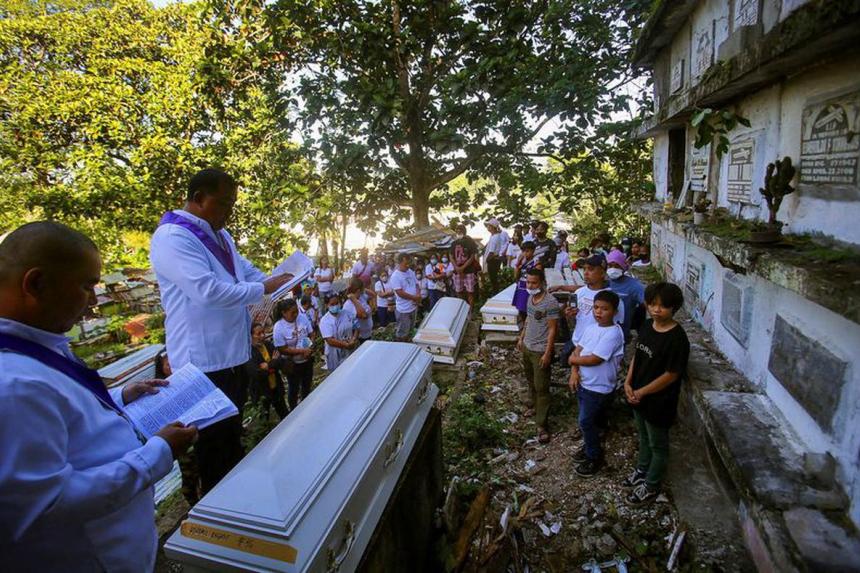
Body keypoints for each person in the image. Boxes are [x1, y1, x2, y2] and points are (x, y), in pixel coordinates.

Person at [0, 221, 197, 571]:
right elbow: (49, 502)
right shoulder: (13, 386)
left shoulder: (37, 345)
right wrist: (158, 452)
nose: (93, 301)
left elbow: (66, 415)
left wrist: (120, 397)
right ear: (36, 283)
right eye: (86, 286)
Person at [150, 168, 292, 493]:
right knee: (212, 448)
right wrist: (265, 287)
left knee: (230, 438)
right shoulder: (173, 237)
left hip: (232, 356)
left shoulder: (219, 234)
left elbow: (244, 271)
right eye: (224, 203)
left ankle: (234, 499)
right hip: (202, 363)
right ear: (199, 198)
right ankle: (214, 515)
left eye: (232, 204)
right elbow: (209, 291)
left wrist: (283, 276)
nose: (229, 211)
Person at [623, 283, 690, 506]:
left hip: (659, 401)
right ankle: (642, 470)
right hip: (638, 395)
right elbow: (637, 356)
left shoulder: (677, 338)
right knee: (643, 437)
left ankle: (651, 485)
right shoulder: (647, 326)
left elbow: (671, 374)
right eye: (652, 304)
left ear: (674, 307)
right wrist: (628, 382)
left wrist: (641, 391)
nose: (656, 310)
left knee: (658, 445)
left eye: (662, 306)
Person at [568, 291, 625, 477]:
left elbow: (595, 359)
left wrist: (573, 361)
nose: (599, 312)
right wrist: (574, 372)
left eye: (605, 309)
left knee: (585, 421)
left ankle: (594, 456)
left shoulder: (614, 333)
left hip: (599, 388)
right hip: (584, 383)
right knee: (591, 421)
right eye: (596, 307)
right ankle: (591, 443)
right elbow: (578, 349)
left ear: (615, 311)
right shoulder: (591, 328)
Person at [516, 267, 559, 444]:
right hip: (527, 346)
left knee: (542, 388)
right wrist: (521, 337)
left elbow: (552, 329)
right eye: (529, 282)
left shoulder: (550, 302)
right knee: (531, 381)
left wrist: (548, 352)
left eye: (534, 283)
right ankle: (534, 406)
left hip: (540, 350)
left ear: (542, 283)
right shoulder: (530, 298)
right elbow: (528, 319)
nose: (531, 285)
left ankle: (542, 424)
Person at [155, 351, 202, 508]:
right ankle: (193, 501)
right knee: (189, 473)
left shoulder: (184, 380)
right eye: (168, 364)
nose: (172, 366)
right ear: (161, 369)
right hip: (182, 440)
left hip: (196, 434)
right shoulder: (159, 390)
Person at [272, 299, 315, 410]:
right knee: (293, 388)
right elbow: (282, 349)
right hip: (293, 364)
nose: (296, 314)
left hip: (307, 360)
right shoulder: (279, 327)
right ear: (284, 313)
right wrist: (301, 351)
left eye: (296, 311)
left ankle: (306, 405)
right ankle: (294, 409)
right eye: (292, 313)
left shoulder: (302, 317)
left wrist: (309, 348)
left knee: (306, 384)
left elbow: (312, 333)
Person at [251, 322, 289, 420]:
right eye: (258, 334)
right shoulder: (249, 353)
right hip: (261, 392)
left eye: (263, 332)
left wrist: (268, 366)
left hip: (276, 387)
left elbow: (280, 361)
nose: (263, 335)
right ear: (251, 336)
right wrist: (273, 363)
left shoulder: (268, 345)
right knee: (264, 419)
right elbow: (257, 374)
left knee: (285, 414)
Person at [606, 249, 646, 340]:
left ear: (623, 267)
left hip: (621, 333)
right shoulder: (603, 282)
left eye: (616, 266)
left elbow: (648, 304)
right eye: (610, 265)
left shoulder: (634, 285)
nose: (613, 269)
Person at [319, 293, 358, 372]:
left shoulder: (346, 313)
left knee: (352, 369)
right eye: (332, 304)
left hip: (350, 347)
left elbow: (356, 327)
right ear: (327, 305)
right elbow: (330, 340)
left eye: (337, 303)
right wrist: (345, 345)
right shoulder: (325, 321)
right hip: (334, 353)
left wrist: (353, 339)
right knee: (338, 373)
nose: (335, 306)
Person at [389, 253, 422, 342]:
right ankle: (400, 346)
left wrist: (418, 295)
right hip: (404, 309)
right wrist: (414, 298)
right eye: (405, 264)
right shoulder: (395, 276)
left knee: (411, 328)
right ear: (399, 263)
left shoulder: (410, 271)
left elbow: (416, 284)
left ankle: (409, 343)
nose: (407, 266)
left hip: (413, 306)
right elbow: (400, 293)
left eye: (408, 263)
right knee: (403, 332)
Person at [450, 223, 480, 308]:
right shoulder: (454, 243)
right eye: (457, 230)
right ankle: (461, 309)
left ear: (464, 231)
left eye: (460, 230)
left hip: (469, 271)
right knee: (459, 291)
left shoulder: (470, 242)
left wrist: (462, 268)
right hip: (457, 271)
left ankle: (470, 311)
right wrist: (456, 267)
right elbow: (451, 256)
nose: (458, 232)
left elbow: (472, 256)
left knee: (470, 292)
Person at [512, 241, 540, 318]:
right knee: (521, 310)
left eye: (527, 251)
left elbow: (538, 277)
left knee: (529, 311)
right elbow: (515, 276)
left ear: (533, 251)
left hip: (530, 289)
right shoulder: (523, 262)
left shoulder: (536, 262)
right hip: (521, 288)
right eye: (523, 251)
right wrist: (518, 263)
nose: (525, 253)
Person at [344, 277, 376, 343]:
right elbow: (364, 315)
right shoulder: (349, 304)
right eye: (362, 290)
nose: (363, 292)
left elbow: (373, 295)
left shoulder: (361, 297)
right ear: (358, 291)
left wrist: (363, 289)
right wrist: (354, 300)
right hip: (360, 337)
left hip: (367, 333)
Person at [483, 218, 509, 294]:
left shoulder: (495, 237)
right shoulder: (495, 236)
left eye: (489, 225)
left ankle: (495, 293)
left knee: (493, 279)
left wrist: (487, 260)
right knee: (494, 279)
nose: (487, 227)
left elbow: (491, 251)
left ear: (492, 227)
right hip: (495, 259)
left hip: (492, 260)